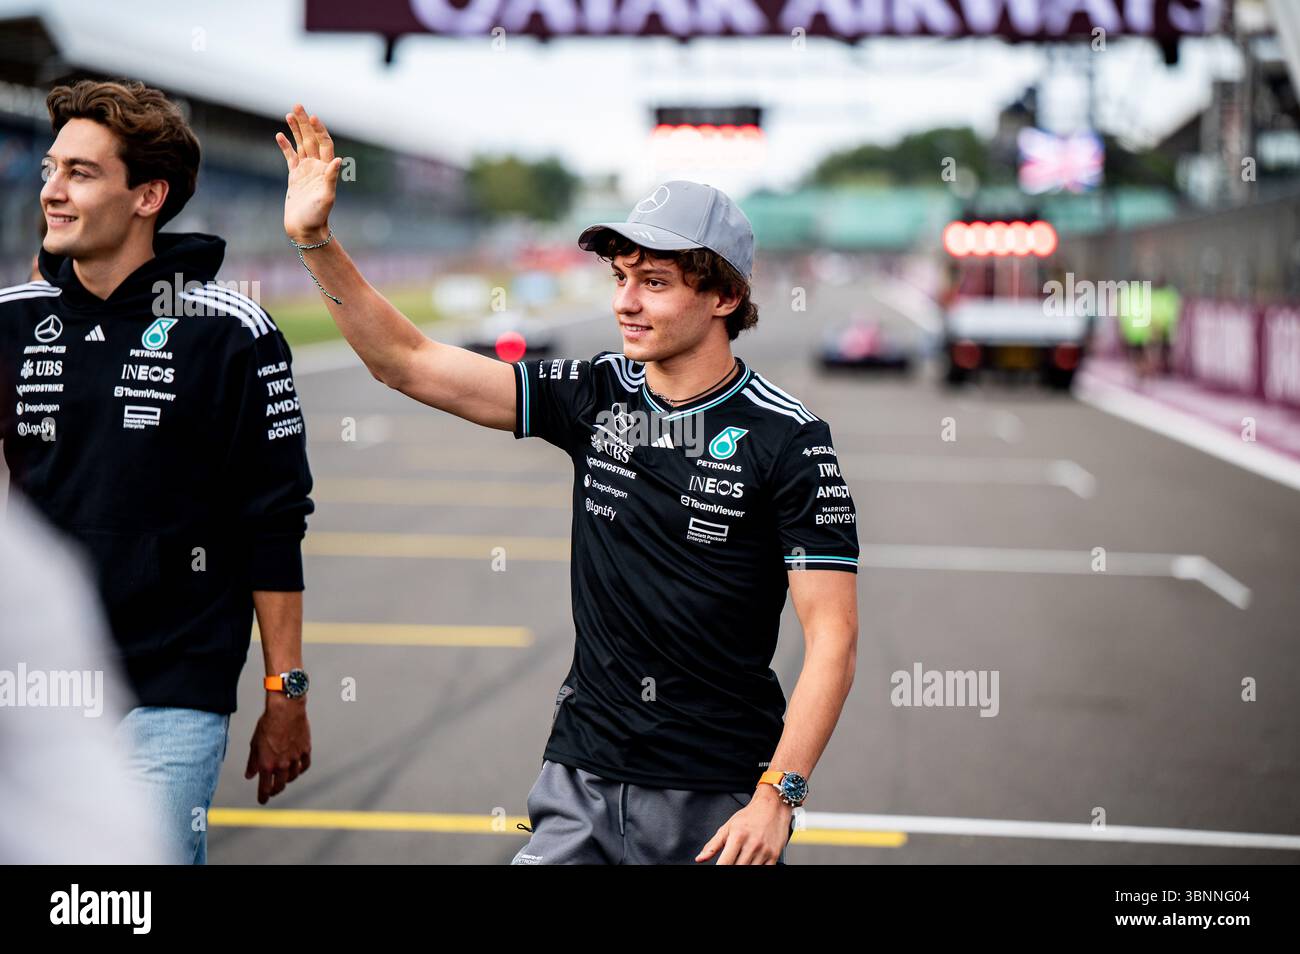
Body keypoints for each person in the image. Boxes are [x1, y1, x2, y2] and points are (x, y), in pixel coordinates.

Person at [275, 104, 860, 865]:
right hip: (578, 776)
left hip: (713, 796)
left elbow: (833, 640)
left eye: (654, 282)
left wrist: (776, 795)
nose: (624, 301)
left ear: (722, 298)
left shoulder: (789, 437)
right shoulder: (595, 393)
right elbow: (407, 361)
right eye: (621, 278)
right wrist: (314, 241)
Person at [0, 79, 315, 863]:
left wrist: (286, 696)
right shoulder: (10, 320)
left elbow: (273, 524)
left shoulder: (231, 332)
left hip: (172, 691)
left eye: (80, 172)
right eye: (49, 170)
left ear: (148, 195)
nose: (52, 192)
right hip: (28, 686)